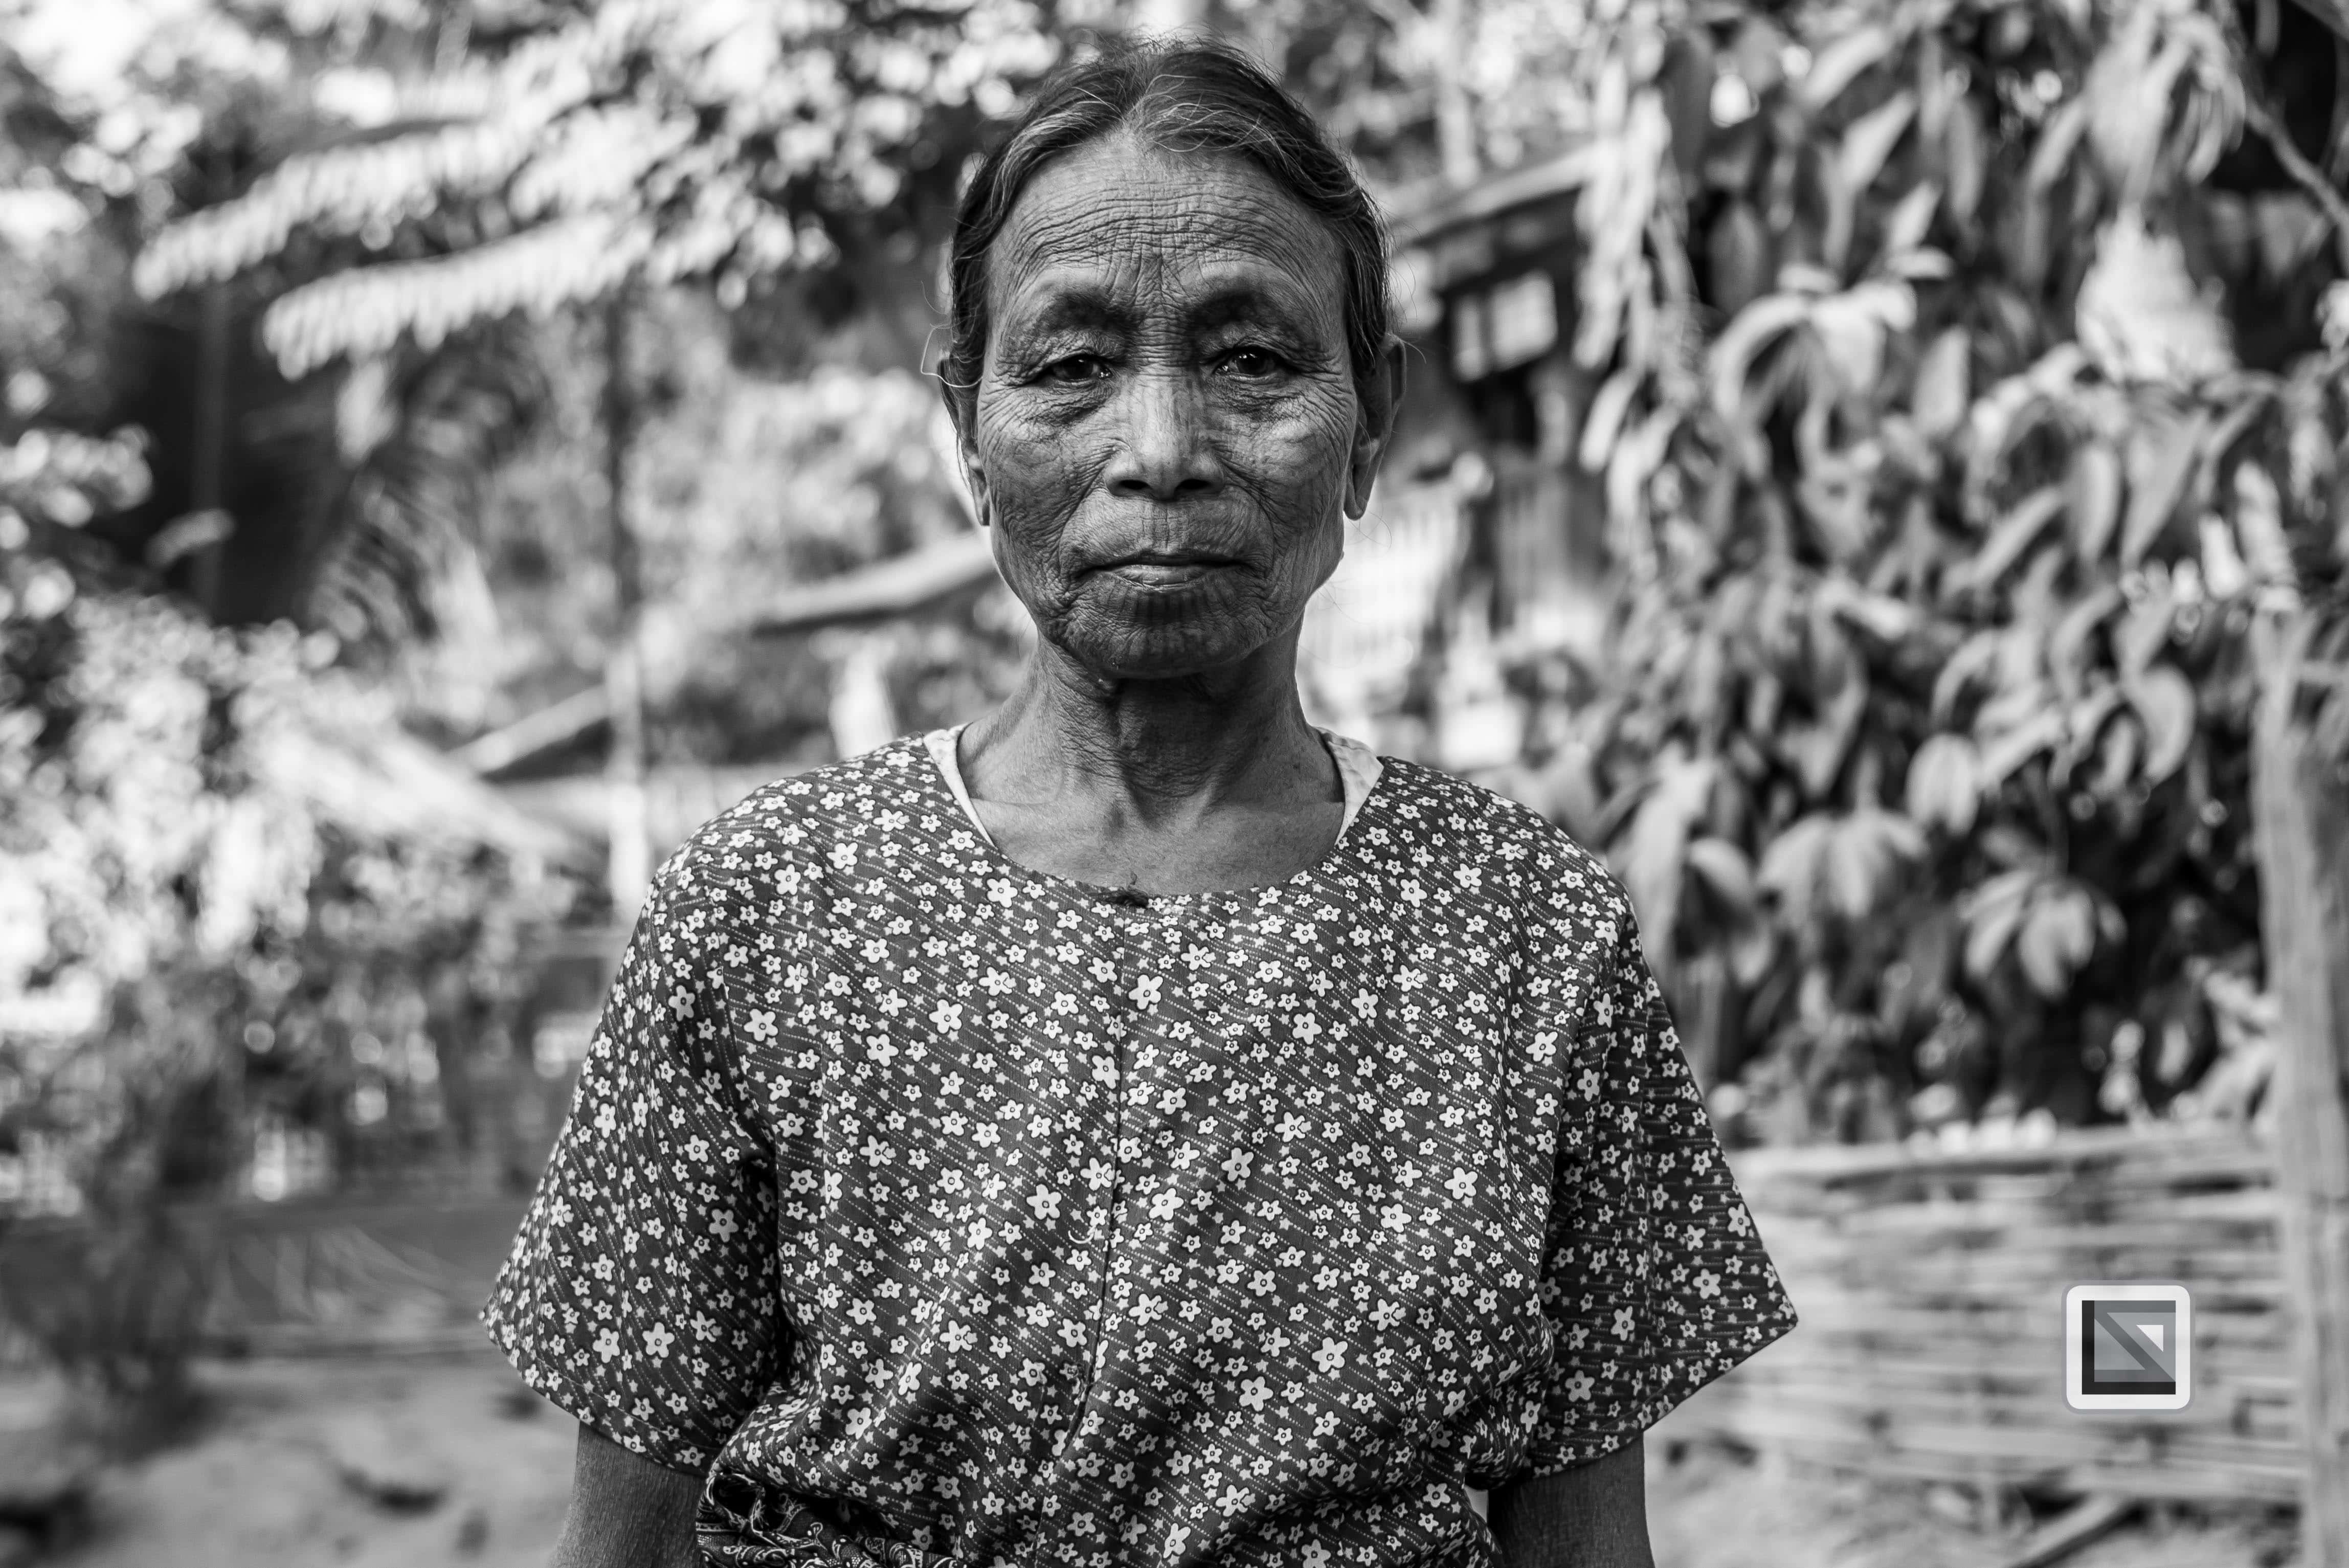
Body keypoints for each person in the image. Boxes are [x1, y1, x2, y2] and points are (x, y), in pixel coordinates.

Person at [485, 36, 1796, 1568]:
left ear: (1370, 416)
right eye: (1069, 367)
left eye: (1251, 360)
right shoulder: (768, 910)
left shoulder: (1525, 935)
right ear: (967, 431)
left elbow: (1588, 1550)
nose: (1160, 451)